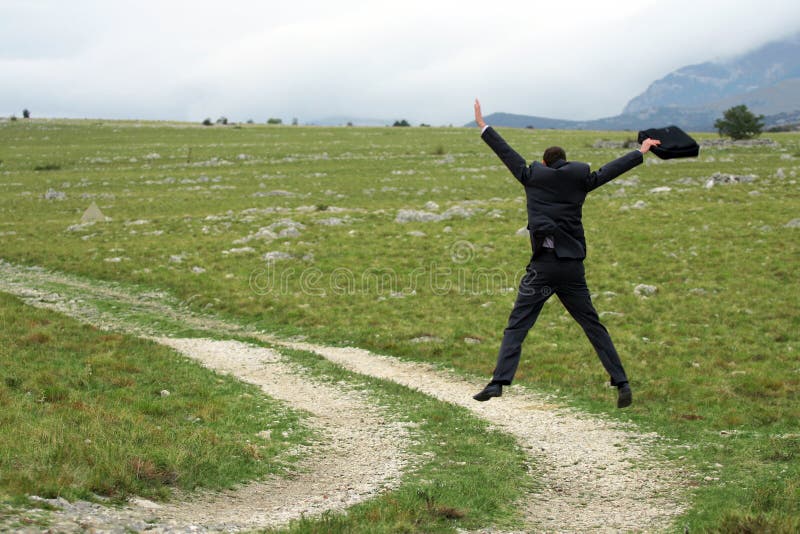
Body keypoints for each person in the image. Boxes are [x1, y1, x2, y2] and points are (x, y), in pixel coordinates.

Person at [471, 99, 660, 408]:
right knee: (593, 326)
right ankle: (622, 383)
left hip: (543, 269)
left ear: (545, 163)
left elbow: (507, 153)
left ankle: (498, 382)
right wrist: (641, 151)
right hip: (572, 268)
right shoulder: (580, 180)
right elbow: (610, 170)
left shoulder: (532, 176)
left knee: (518, 325)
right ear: (565, 162)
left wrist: (483, 125)